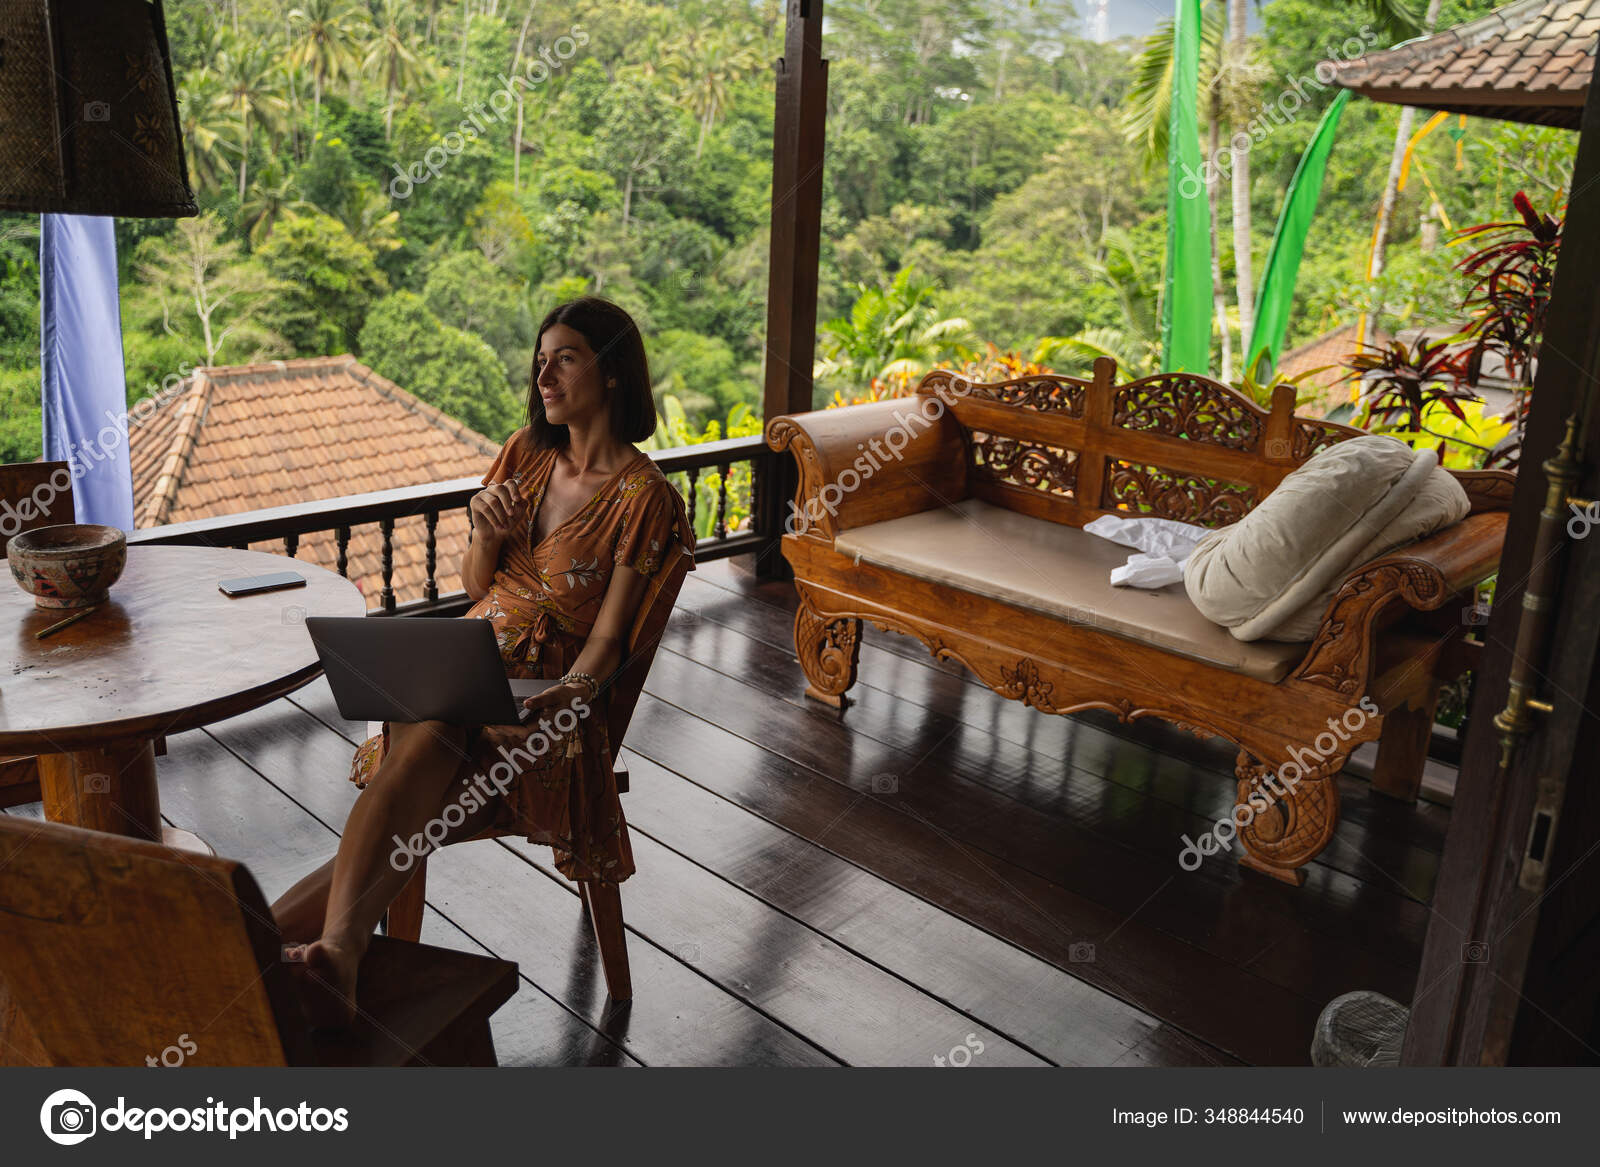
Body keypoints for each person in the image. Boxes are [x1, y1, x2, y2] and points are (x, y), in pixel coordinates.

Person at [270, 296, 695, 1028]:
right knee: (428, 729)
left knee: (420, 753)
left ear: (614, 372)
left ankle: (272, 938)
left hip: (547, 705)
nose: (545, 376)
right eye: (539, 362)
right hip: (470, 662)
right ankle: (332, 951)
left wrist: (573, 690)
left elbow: (611, 639)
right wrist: (484, 533)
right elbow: (477, 585)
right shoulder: (525, 453)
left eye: (564, 357)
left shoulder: (642, 497)